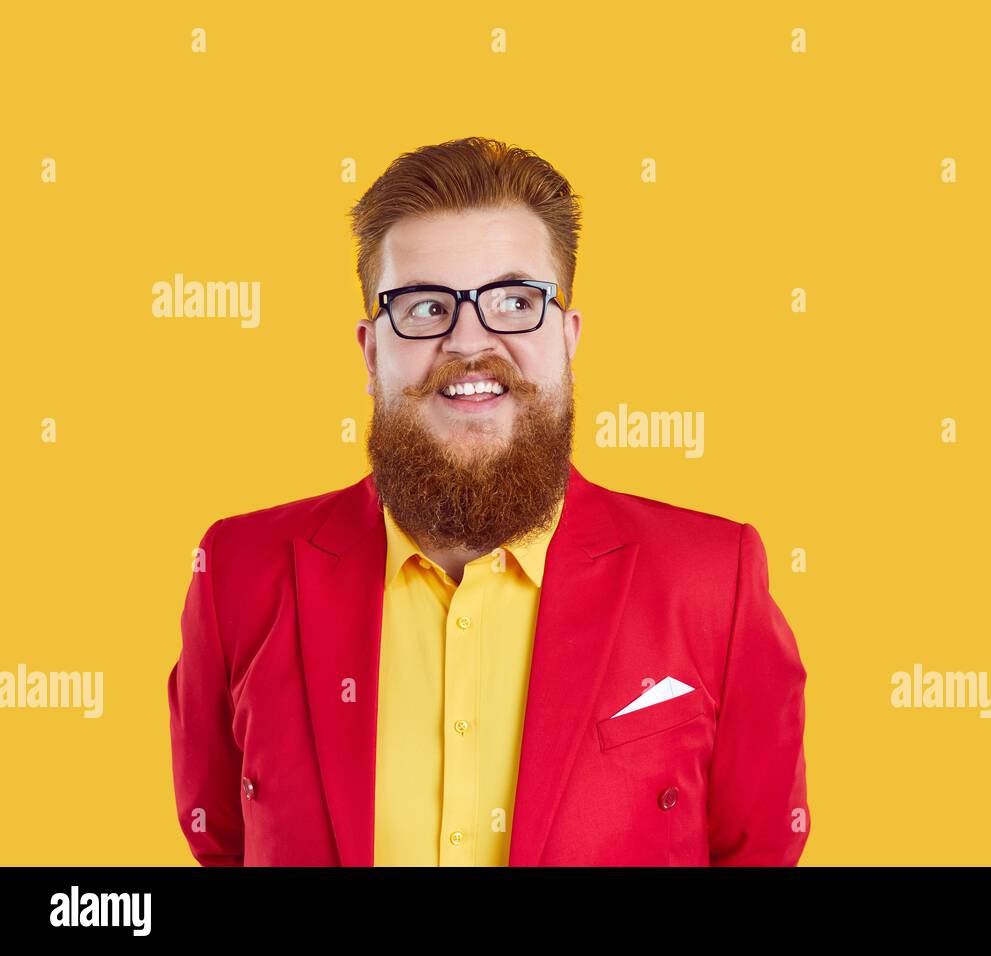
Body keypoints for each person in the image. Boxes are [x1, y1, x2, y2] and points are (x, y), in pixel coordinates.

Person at [167, 136, 810, 866]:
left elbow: (757, 849)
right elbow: (218, 838)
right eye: (423, 305)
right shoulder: (237, 572)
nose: (470, 341)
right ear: (370, 349)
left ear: (568, 337)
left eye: (514, 300)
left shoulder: (712, 580)